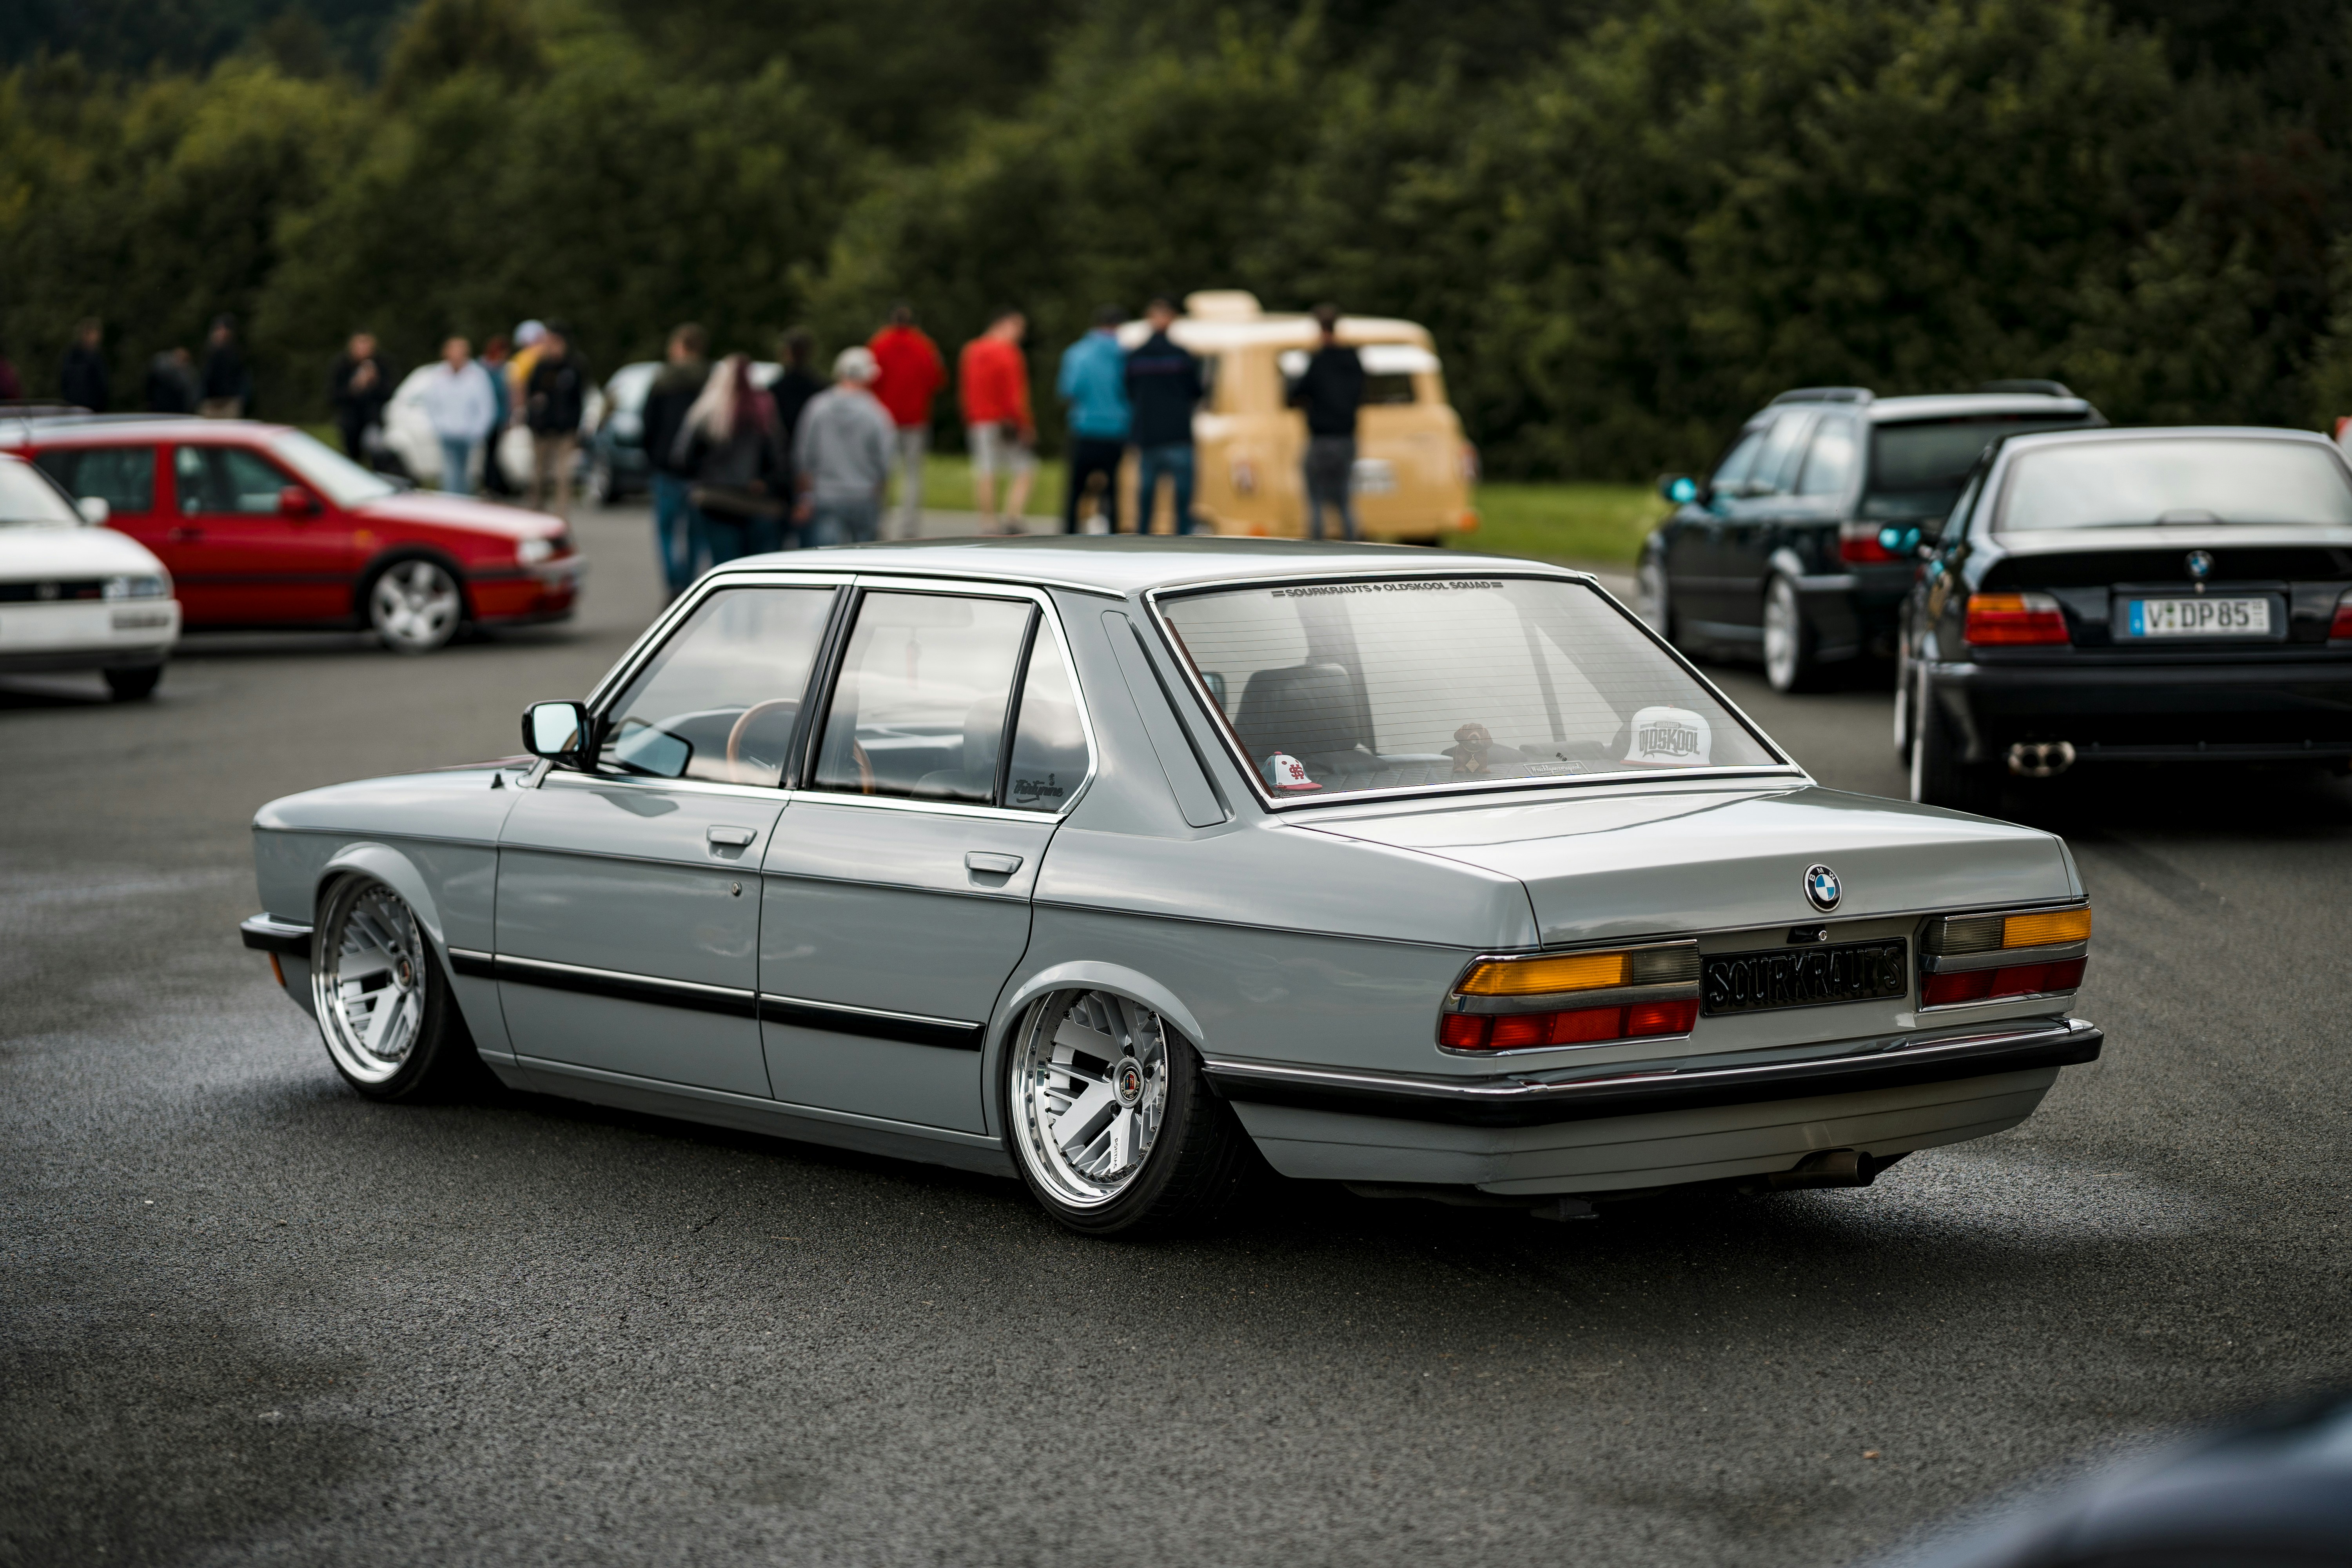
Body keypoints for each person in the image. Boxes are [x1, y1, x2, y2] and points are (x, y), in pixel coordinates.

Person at [674, 352, 789, 564]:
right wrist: (765, 480)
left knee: (724, 560)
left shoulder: (707, 409)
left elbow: (682, 456)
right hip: (752, 497)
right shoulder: (763, 409)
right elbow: (778, 455)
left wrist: (704, 475)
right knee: (751, 564)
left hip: (715, 497)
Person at [793, 347, 895, 548]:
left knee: (827, 562)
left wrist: (804, 498)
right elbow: (885, 464)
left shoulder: (817, 407)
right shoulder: (877, 414)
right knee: (865, 564)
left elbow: (803, 457)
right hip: (864, 498)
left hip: (825, 496)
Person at [641, 324, 712, 597]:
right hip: (700, 470)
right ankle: (691, 583)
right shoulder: (710, 380)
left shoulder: (663, 380)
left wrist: (652, 458)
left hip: (666, 467)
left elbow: (648, 424)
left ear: (682, 347)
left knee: (666, 532)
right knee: (696, 535)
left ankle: (675, 582)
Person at [1124, 297, 1205, 535]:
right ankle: (1183, 551)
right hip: (1178, 435)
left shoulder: (1136, 357)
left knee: (1146, 507)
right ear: (1172, 320)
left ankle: (1142, 551)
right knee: (1182, 506)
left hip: (1148, 436)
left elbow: (1128, 392)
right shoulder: (1182, 357)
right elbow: (1196, 392)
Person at [867, 304, 946, 540]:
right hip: (916, 418)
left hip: (884, 418)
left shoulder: (879, 343)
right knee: (912, 475)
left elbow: (870, 378)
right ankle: (909, 527)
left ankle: (879, 522)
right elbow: (937, 379)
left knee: (882, 471)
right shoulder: (924, 344)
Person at [1287, 303, 1366, 541]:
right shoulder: (1353, 359)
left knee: (1316, 499)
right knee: (1344, 498)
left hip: (1321, 438)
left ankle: (1318, 548)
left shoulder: (1318, 361)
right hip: (1347, 436)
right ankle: (1354, 545)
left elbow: (1297, 394)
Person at [958, 309, 1035, 533]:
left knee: (985, 470)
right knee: (1025, 469)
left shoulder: (971, 350)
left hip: (979, 419)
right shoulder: (1009, 352)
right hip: (1006, 422)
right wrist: (1026, 424)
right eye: (1018, 327)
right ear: (1004, 324)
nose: (1021, 333)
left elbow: (966, 388)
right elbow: (1015, 395)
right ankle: (1013, 515)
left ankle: (988, 521)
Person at [1057, 305, 1130, 534]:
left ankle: (1068, 537)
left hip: (1085, 428)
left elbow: (1069, 391)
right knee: (1113, 492)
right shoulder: (1124, 356)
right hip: (1116, 430)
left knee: (1075, 491)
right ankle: (1114, 538)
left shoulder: (1077, 353)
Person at [524, 324, 591, 516]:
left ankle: (561, 518)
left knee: (563, 477)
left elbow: (580, 399)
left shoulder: (574, 367)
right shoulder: (540, 367)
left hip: (565, 430)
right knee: (538, 476)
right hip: (542, 429)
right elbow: (532, 396)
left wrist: (575, 426)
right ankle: (536, 512)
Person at [420, 336, 496, 496]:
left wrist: (478, 431)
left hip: (468, 433)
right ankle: (452, 506)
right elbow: (432, 404)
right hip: (447, 433)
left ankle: (463, 504)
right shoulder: (439, 375)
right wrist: (439, 426)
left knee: (466, 474)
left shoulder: (477, 375)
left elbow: (486, 406)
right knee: (450, 473)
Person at [328, 332, 394, 460]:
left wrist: (375, 382)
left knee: (377, 450)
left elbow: (390, 393)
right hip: (350, 422)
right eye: (359, 347)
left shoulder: (382, 365)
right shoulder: (342, 366)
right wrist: (355, 387)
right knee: (352, 455)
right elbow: (334, 396)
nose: (363, 351)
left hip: (374, 419)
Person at [477, 333, 516, 495]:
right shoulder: (483, 368)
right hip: (485, 418)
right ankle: (494, 485)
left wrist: (509, 417)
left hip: (498, 418)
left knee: (493, 452)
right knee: (490, 453)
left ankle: (494, 484)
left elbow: (508, 396)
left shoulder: (504, 369)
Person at [199, 315, 250, 418]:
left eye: (224, 329)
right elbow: (206, 377)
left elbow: (243, 377)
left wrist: (242, 399)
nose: (221, 332)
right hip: (211, 403)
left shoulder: (236, 352)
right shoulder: (210, 352)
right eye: (219, 329)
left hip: (230, 402)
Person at [60, 320, 108, 412]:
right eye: (94, 333)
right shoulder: (73, 358)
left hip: (96, 409)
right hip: (78, 408)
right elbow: (66, 382)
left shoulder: (98, 357)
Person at [145, 347, 198, 414]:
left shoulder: (188, 375)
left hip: (178, 409)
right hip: (160, 406)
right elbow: (150, 387)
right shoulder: (160, 371)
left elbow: (190, 393)